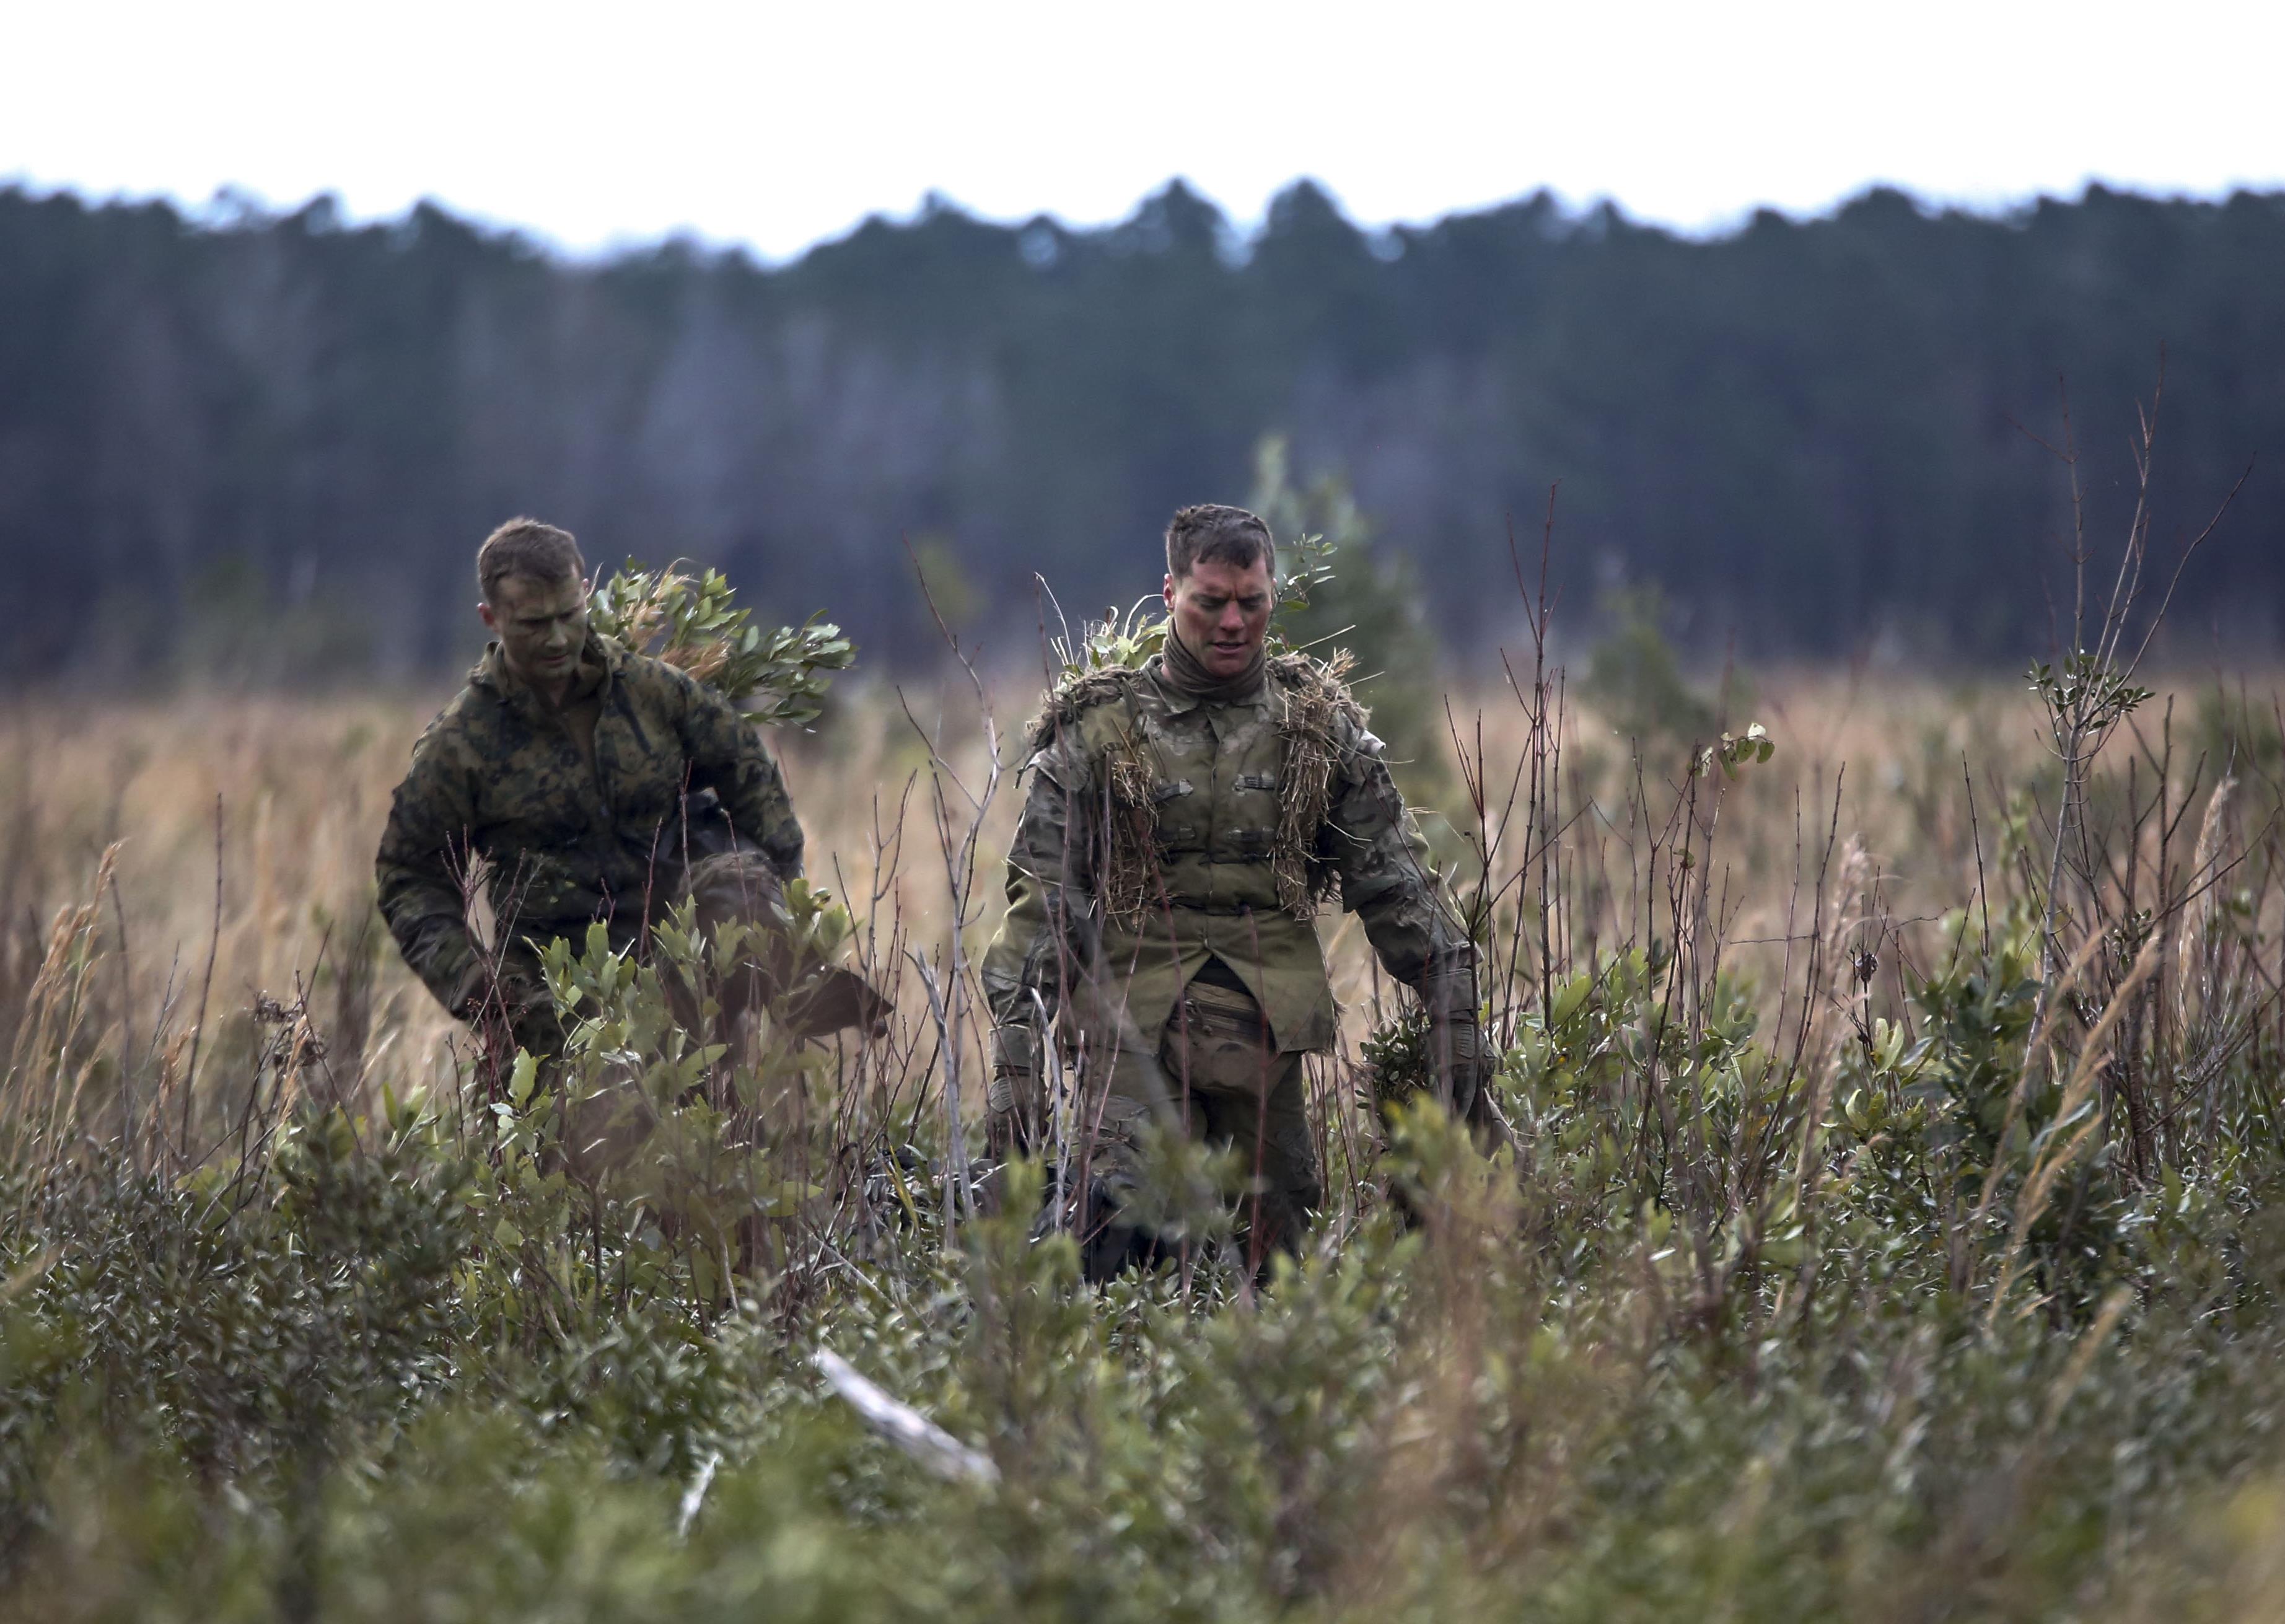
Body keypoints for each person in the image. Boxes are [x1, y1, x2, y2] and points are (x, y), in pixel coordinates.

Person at [980, 503, 1486, 1275]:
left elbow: (1401, 888)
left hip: (1267, 1030)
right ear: (1169, 593)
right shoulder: (1095, 731)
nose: (1231, 622)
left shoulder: (1318, 729)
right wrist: (1017, 1063)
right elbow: (1039, 905)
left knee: (1280, 1261)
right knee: (1115, 1241)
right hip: (1131, 1019)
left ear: (1271, 595)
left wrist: (1454, 1010)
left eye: (1250, 602)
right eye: (1209, 601)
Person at [375, 517, 864, 1078]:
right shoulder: (460, 744)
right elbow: (408, 878)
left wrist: (767, 908)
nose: (558, 638)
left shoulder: (658, 694)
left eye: (568, 615)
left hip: (687, 1001)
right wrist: (485, 993)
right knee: (564, 1160)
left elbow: (750, 777)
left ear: (586, 593)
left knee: (716, 1153)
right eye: (534, 623)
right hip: (553, 1011)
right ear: (492, 618)